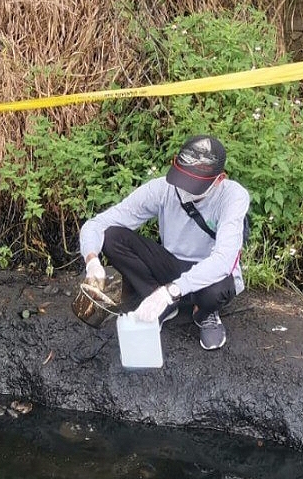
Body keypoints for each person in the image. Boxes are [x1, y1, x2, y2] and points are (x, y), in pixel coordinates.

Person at [79, 135, 249, 350]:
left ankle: (203, 313)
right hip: (170, 263)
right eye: (183, 180)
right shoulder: (162, 188)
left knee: (217, 289)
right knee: (112, 236)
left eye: (194, 185)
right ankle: (158, 301)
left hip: (208, 271)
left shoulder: (233, 196)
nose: (186, 189)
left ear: (219, 179)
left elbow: (223, 260)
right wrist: (92, 261)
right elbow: (98, 224)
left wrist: (170, 292)